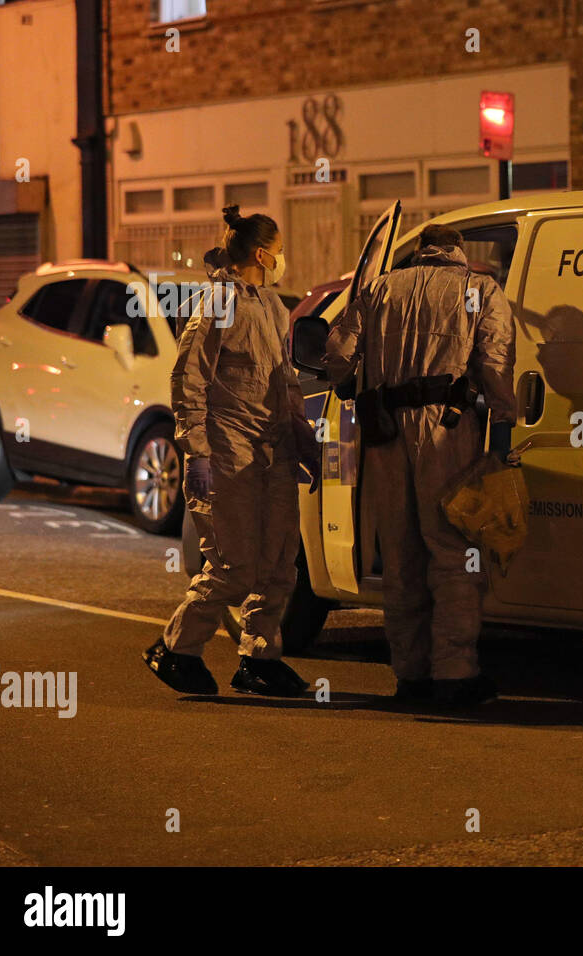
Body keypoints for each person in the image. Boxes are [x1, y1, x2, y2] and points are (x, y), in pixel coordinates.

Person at [325, 224, 516, 706]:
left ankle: (410, 676)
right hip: (447, 430)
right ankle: (454, 674)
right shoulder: (478, 290)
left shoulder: (378, 289)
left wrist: (353, 387)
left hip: (385, 429)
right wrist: (504, 421)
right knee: (452, 552)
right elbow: (495, 363)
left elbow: (338, 355)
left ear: (422, 251)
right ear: (457, 252)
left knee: (401, 555)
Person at [143, 205, 320, 697]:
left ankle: (260, 658)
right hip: (227, 456)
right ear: (262, 253)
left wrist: (304, 445)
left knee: (278, 563)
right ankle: (175, 648)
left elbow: (285, 384)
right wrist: (197, 454)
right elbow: (187, 381)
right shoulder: (217, 303)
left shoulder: (271, 305)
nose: (282, 260)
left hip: (273, 453)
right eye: (279, 251)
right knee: (234, 566)